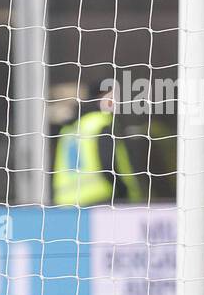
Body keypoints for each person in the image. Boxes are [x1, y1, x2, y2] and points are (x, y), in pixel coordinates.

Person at [52, 76, 146, 206]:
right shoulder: (100, 123)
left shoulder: (69, 129)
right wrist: (123, 193)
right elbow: (109, 164)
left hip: (66, 203)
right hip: (99, 200)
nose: (116, 102)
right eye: (112, 97)